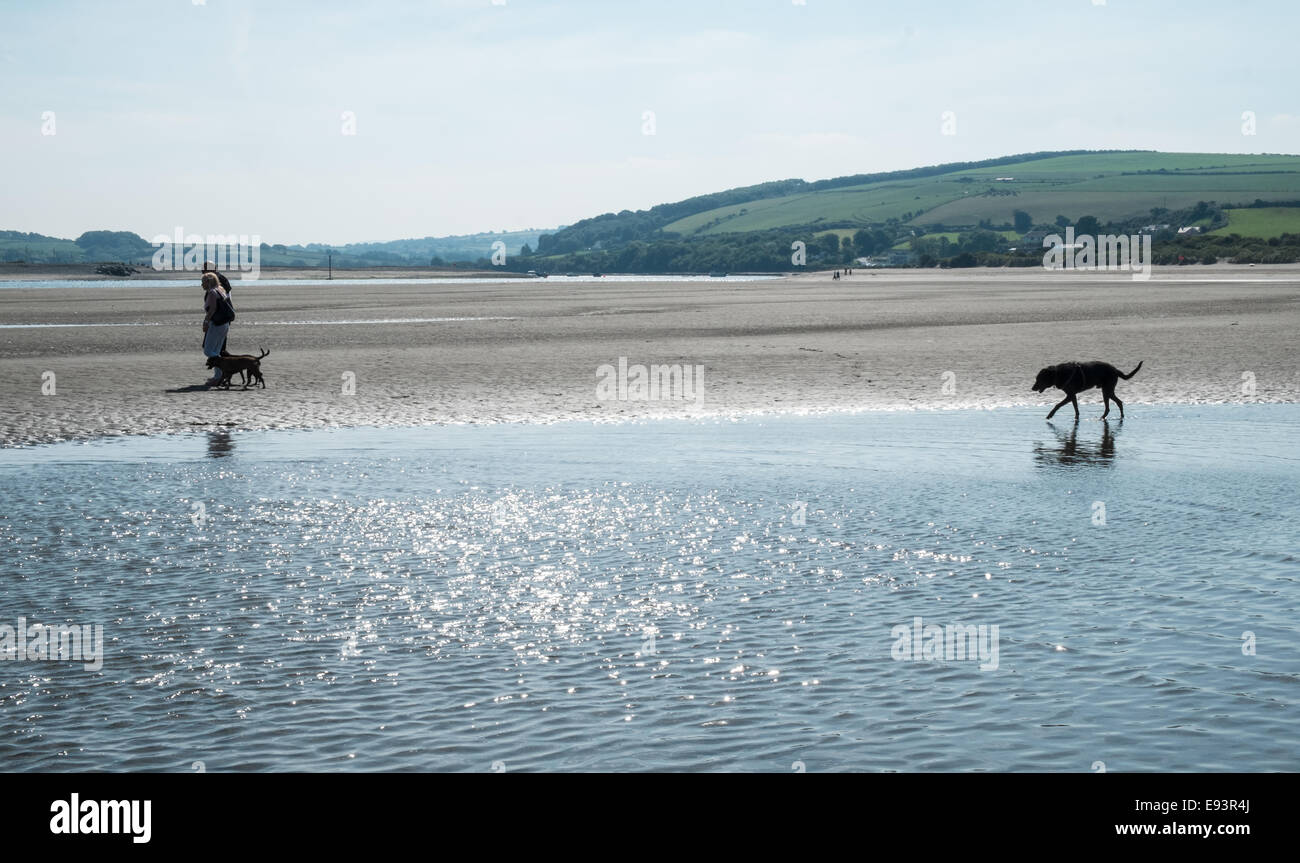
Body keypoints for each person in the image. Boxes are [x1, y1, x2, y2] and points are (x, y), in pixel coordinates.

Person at [201, 273, 234, 386]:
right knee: (216, 350)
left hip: (217, 324)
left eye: (203, 282)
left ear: (208, 282)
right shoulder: (221, 289)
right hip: (225, 324)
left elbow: (212, 310)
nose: (201, 285)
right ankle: (218, 376)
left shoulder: (212, 292)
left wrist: (206, 322)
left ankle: (221, 371)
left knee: (208, 350)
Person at [202, 261, 232, 356]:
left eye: (204, 270)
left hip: (218, 320)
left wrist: (206, 322)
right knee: (218, 349)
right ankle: (221, 368)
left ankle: (225, 365)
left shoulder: (215, 286)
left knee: (210, 350)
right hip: (224, 319)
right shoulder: (220, 285)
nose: (202, 272)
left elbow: (213, 308)